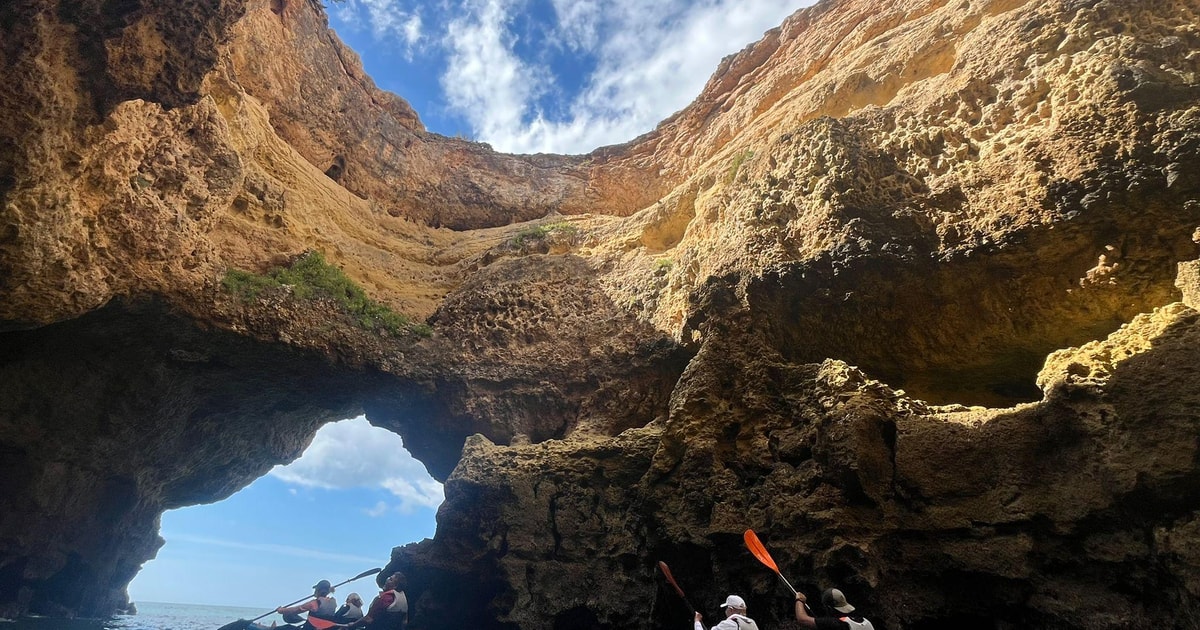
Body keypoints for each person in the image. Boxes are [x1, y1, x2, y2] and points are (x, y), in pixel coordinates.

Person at [338, 571, 408, 630]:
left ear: (395, 586)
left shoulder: (385, 599)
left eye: (390, 579)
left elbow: (368, 619)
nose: (387, 579)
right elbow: (404, 622)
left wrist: (352, 625)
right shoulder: (403, 601)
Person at [794, 587, 875, 629]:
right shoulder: (867, 622)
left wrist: (799, 600)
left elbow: (802, 619)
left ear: (829, 608)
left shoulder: (837, 624)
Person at [693, 594, 760, 630]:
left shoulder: (730, 624)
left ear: (731, 609)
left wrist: (697, 621)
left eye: (726, 608)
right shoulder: (752, 623)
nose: (725, 611)